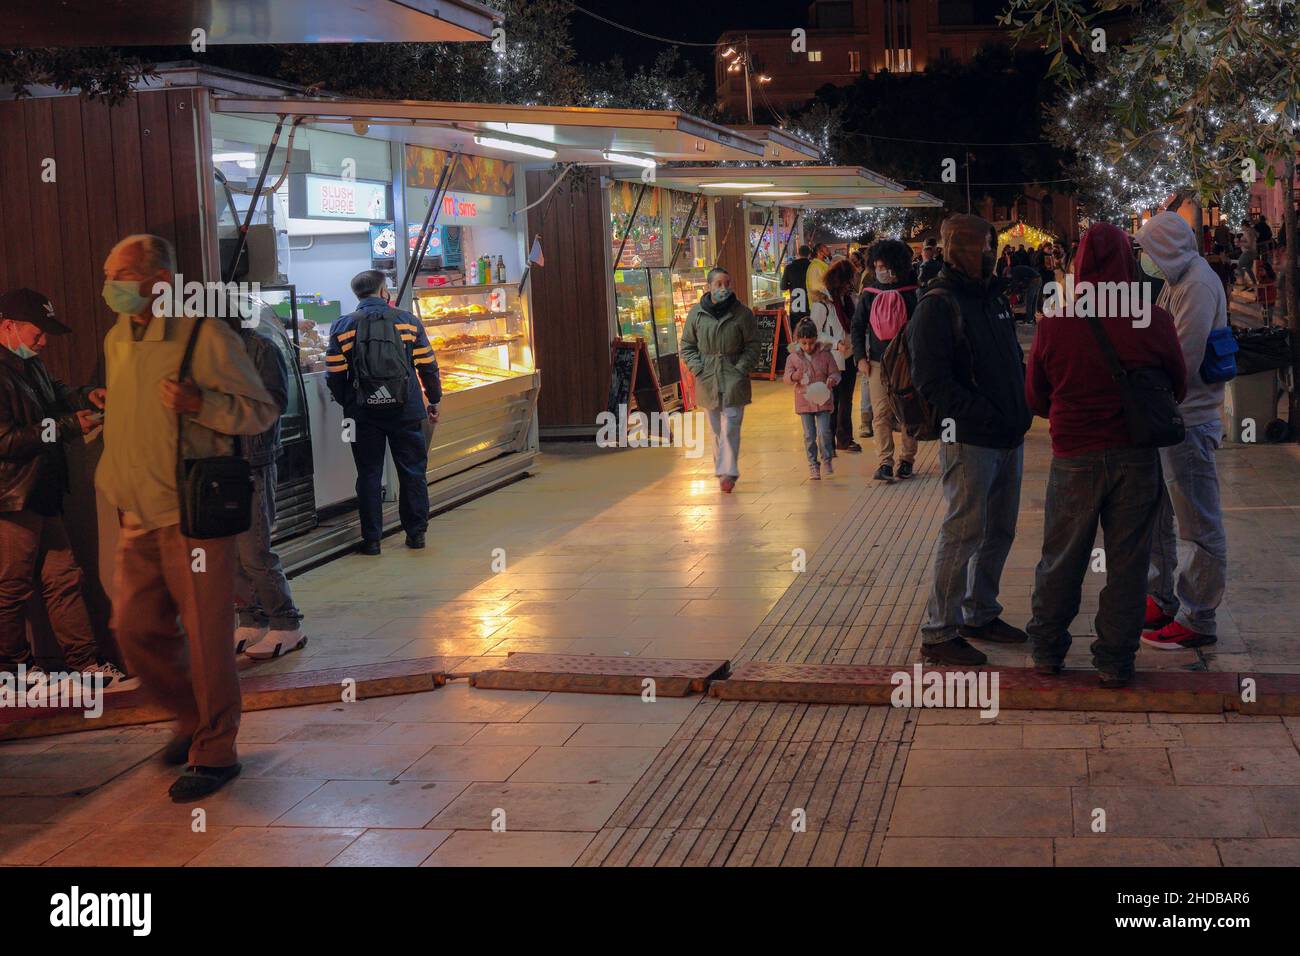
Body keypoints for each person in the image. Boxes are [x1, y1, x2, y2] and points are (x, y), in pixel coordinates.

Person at [97, 234, 279, 802]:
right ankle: (188, 718)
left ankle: (215, 748)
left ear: (159, 280)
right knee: (133, 629)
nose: (111, 285)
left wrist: (201, 404)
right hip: (133, 512)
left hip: (190, 516)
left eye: (120, 274)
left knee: (206, 638)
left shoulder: (203, 335)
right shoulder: (115, 338)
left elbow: (261, 410)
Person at [1024, 223, 1188, 688]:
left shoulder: (1056, 320)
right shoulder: (1151, 318)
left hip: (1074, 454)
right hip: (1136, 457)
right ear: (1127, 261)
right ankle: (1115, 659)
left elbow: (1035, 396)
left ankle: (1047, 650)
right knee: (1129, 562)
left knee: (1061, 557)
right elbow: (1176, 384)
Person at [910, 214, 1033, 665]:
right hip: (971, 440)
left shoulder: (992, 297)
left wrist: (1020, 407)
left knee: (999, 530)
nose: (984, 253)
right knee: (963, 531)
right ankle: (939, 630)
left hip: (1008, 436)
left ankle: (980, 612)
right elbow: (932, 382)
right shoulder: (938, 305)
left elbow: (1010, 360)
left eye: (988, 246)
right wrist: (984, 415)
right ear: (953, 248)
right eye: (975, 245)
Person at [0, 288, 136, 692]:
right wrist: (68, 426)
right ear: (7, 325)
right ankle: (14, 673)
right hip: (12, 497)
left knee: (64, 579)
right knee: (11, 586)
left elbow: (58, 394)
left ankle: (84, 665)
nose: (43, 341)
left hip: (41, 492)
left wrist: (84, 395)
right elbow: (6, 441)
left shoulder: (29, 365)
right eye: (37, 332)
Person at [1136, 212, 1229, 650]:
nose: (1144, 259)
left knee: (1197, 523)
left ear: (1167, 248)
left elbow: (1182, 360)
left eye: (1149, 251)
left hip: (1189, 419)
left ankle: (1198, 617)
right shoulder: (1177, 280)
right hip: (1172, 419)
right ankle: (1162, 599)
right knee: (1160, 516)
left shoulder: (1194, 285)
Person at [327, 270, 442, 556]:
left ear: (357, 294)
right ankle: (416, 534)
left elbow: (334, 374)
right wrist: (434, 399)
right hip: (407, 409)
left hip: (362, 414)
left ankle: (372, 540)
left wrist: (350, 403)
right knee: (413, 471)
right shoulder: (408, 321)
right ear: (383, 292)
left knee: (368, 473)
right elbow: (427, 364)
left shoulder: (342, 325)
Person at [232, 308, 306, 660]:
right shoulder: (209, 354)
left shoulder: (260, 349)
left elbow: (272, 404)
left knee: (254, 550)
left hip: (252, 462)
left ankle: (286, 624)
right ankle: (251, 619)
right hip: (220, 466)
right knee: (233, 554)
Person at [680, 267, 760, 493]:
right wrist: (698, 368)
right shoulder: (696, 314)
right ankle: (722, 468)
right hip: (707, 378)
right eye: (719, 284)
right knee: (717, 429)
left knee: (731, 426)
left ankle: (728, 473)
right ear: (709, 287)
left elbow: (753, 344)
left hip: (734, 377)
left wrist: (741, 368)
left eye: (727, 283)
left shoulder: (742, 313)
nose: (724, 288)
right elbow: (687, 345)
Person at [852, 239, 920, 482]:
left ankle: (907, 458)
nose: (879, 270)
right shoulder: (869, 295)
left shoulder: (913, 294)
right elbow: (857, 327)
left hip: (906, 364)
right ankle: (885, 461)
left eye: (884, 266)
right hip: (877, 363)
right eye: (876, 266)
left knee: (907, 411)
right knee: (880, 414)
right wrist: (860, 357)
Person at [784, 317, 841, 480]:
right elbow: (787, 378)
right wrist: (795, 376)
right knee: (809, 435)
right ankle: (813, 464)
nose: (808, 347)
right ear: (798, 341)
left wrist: (832, 380)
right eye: (804, 343)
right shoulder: (793, 357)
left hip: (823, 400)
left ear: (816, 339)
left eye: (810, 342)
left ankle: (827, 458)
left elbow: (835, 373)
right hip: (804, 402)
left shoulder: (825, 355)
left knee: (824, 431)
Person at [822, 259, 861, 451]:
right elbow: (815, 332)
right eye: (847, 282)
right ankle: (828, 439)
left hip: (850, 354)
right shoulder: (824, 302)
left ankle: (845, 438)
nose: (849, 285)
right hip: (832, 357)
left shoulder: (849, 299)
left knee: (846, 398)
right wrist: (835, 343)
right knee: (833, 399)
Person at [780, 245, 814, 322]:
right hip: (809, 305)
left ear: (798, 254)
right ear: (809, 254)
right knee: (810, 330)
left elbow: (783, 287)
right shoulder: (812, 266)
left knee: (795, 330)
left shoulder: (789, 267)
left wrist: (792, 284)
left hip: (795, 307)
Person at [1237, 219, 1258, 290]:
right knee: (1248, 269)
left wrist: (1240, 243)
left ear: (1244, 225)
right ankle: (1254, 284)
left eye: (1241, 226)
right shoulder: (1251, 231)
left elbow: (1249, 244)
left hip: (1248, 252)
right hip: (1252, 252)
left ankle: (1243, 283)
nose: (1241, 228)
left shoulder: (1247, 232)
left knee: (1239, 266)